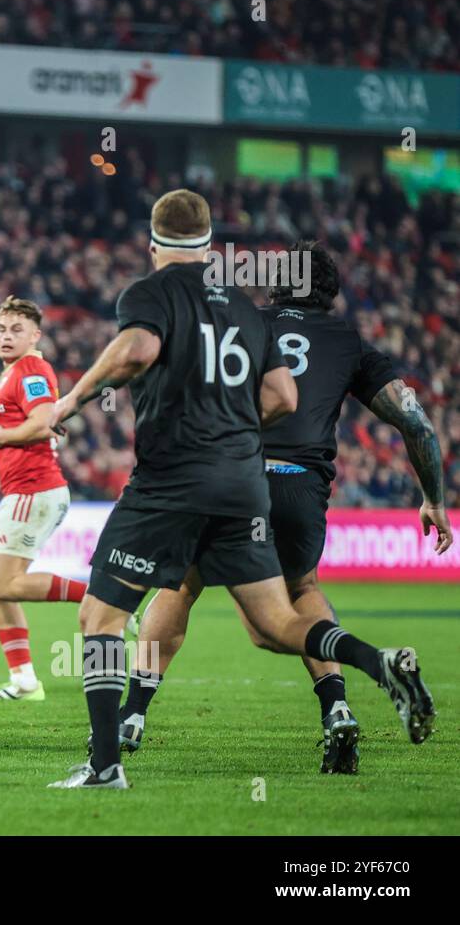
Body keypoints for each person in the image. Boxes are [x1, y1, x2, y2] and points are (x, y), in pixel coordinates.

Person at [46, 190, 434, 789]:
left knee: (157, 595)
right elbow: (405, 418)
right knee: (283, 613)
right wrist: (431, 495)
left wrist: (75, 399)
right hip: (285, 489)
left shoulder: (225, 309)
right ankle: (359, 679)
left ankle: (123, 731)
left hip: (209, 472)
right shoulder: (333, 336)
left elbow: (139, 350)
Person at [117, 241, 453, 773]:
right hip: (300, 488)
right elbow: (416, 422)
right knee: (302, 591)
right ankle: (337, 707)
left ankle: (131, 715)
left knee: (181, 585)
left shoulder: (241, 321)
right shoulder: (349, 342)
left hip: (232, 476)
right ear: (331, 291)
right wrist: (434, 498)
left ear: (277, 283)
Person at [0, 297, 87, 702]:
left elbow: (43, 421)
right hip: (22, 489)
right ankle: (24, 680)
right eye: (1, 329)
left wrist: (0, 436)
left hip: (35, 491)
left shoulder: (31, 369)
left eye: (17, 330)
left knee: (3, 584)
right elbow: (27, 437)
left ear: (36, 335)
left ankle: (100, 594)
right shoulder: (12, 373)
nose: (6, 336)